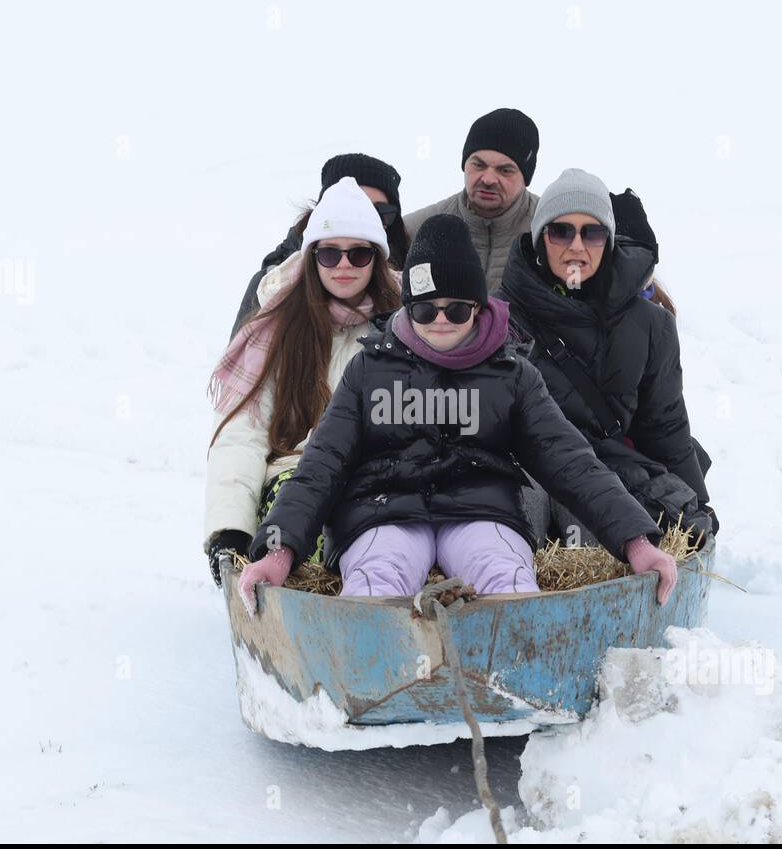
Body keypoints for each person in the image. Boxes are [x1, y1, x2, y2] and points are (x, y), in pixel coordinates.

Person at [234, 214, 677, 614]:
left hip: (481, 510)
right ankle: (362, 690)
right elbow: (322, 465)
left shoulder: (512, 374)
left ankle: (514, 691)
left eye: (457, 309)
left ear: (479, 308)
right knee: (374, 583)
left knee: (507, 580)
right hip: (382, 511)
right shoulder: (369, 370)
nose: (440, 320)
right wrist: (279, 550)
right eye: (425, 308)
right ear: (408, 307)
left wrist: (636, 541)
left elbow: (569, 460)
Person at [497, 168, 717, 546]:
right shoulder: (497, 318)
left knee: (596, 524)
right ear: (539, 240)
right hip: (522, 470)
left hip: (603, 474)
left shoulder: (651, 326)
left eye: (592, 232)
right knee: (515, 528)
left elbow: (664, 428)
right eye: (561, 231)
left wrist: (696, 506)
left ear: (609, 241)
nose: (577, 246)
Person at [203, 177, 402, 586]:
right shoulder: (278, 327)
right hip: (294, 476)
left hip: (377, 478)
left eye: (359, 254)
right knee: (298, 529)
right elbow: (244, 432)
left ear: (377, 259)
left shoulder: (406, 324)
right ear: (312, 257)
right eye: (330, 254)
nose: (344, 265)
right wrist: (230, 529)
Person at [230, 153, 409, 340]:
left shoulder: (409, 282)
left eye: (378, 212)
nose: (361, 217)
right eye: (329, 253)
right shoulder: (273, 285)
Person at [402, 108, 541, 291]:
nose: (488, 179)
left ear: (526, 178)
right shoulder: (414, 230)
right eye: (478, 165)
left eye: (505, 170)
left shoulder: (553, 230)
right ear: (464, 165)